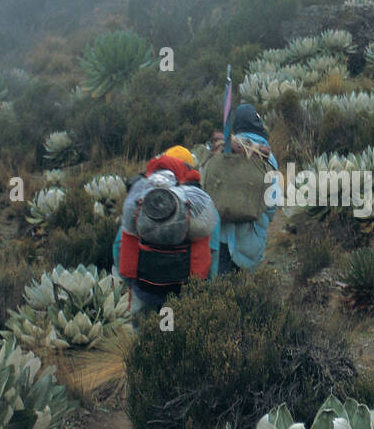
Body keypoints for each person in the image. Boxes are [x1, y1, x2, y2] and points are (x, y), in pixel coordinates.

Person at [113, 146, 220, 325]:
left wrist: (129, 280)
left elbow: (119, 245)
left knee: (145, 335)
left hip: (144, 287)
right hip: (184, 289)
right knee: (176, 335)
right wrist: (208, 286)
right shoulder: (197, 204)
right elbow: (213, 248)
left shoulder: (143, 199)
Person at [210, 104, 279, 275]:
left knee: (217, 295)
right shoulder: (267, 157)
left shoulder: (225, 150)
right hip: (251, 241)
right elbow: (271, 206)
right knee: (243, 293)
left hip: (220, 241)